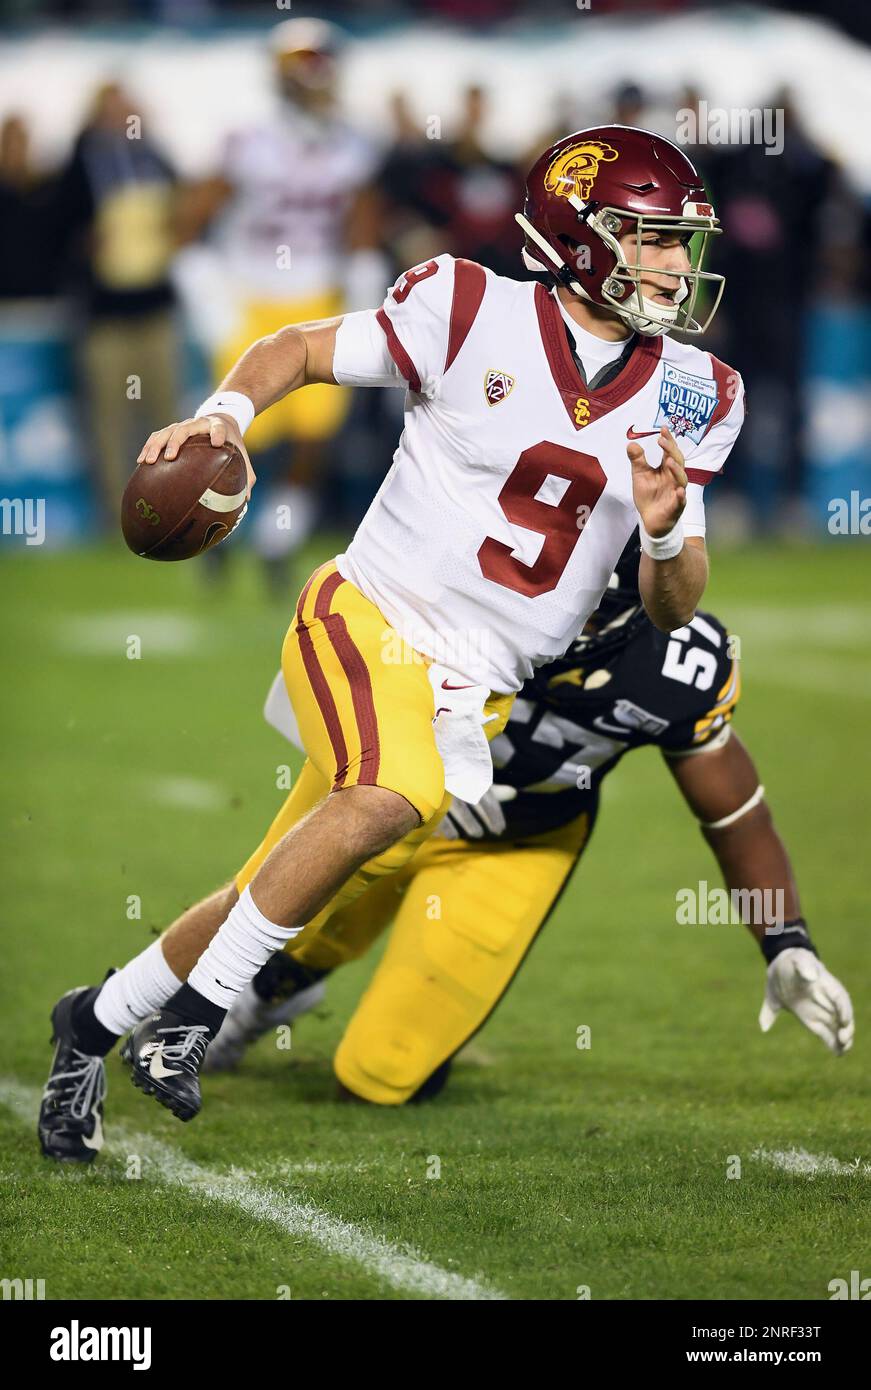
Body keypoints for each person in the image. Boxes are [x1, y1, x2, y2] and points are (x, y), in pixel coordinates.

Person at [40, 124, 744, 1159]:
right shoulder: (468, 307)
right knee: (393, 792)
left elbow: (672, 605)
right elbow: (300, 349)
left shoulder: (700, 393)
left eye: (681, 240)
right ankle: (192, 1023)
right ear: (578, 237)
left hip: (480, 691)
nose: (675, 264)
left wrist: (666, 525)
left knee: (272, 880)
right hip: (369, 615)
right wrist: (228, 415)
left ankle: (90, 1023)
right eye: (649, 238)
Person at [202, 535, 854, 1100]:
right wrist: (427, 763)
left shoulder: (680, 665)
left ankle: (300, 990)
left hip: (516, 844)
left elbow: (733, 814)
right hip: (394, 801)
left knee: (381, 1073)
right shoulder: (454, 583)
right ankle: (262, 989)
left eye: (585, 606)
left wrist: (784, 940)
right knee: (275, 902)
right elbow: (338, 673)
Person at [179, 17, 386, 589]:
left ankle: (276, 537)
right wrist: (205, 293)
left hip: (317, 297)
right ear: (280, 71)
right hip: (248, 294)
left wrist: (365, 288)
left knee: (315, 434)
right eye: (304, 62)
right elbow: (190, 221)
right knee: (235, 431)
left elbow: (363, 224)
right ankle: (207, 527)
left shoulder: (354, 141)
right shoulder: (247, 138)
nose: (317, 74)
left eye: (322, 62)